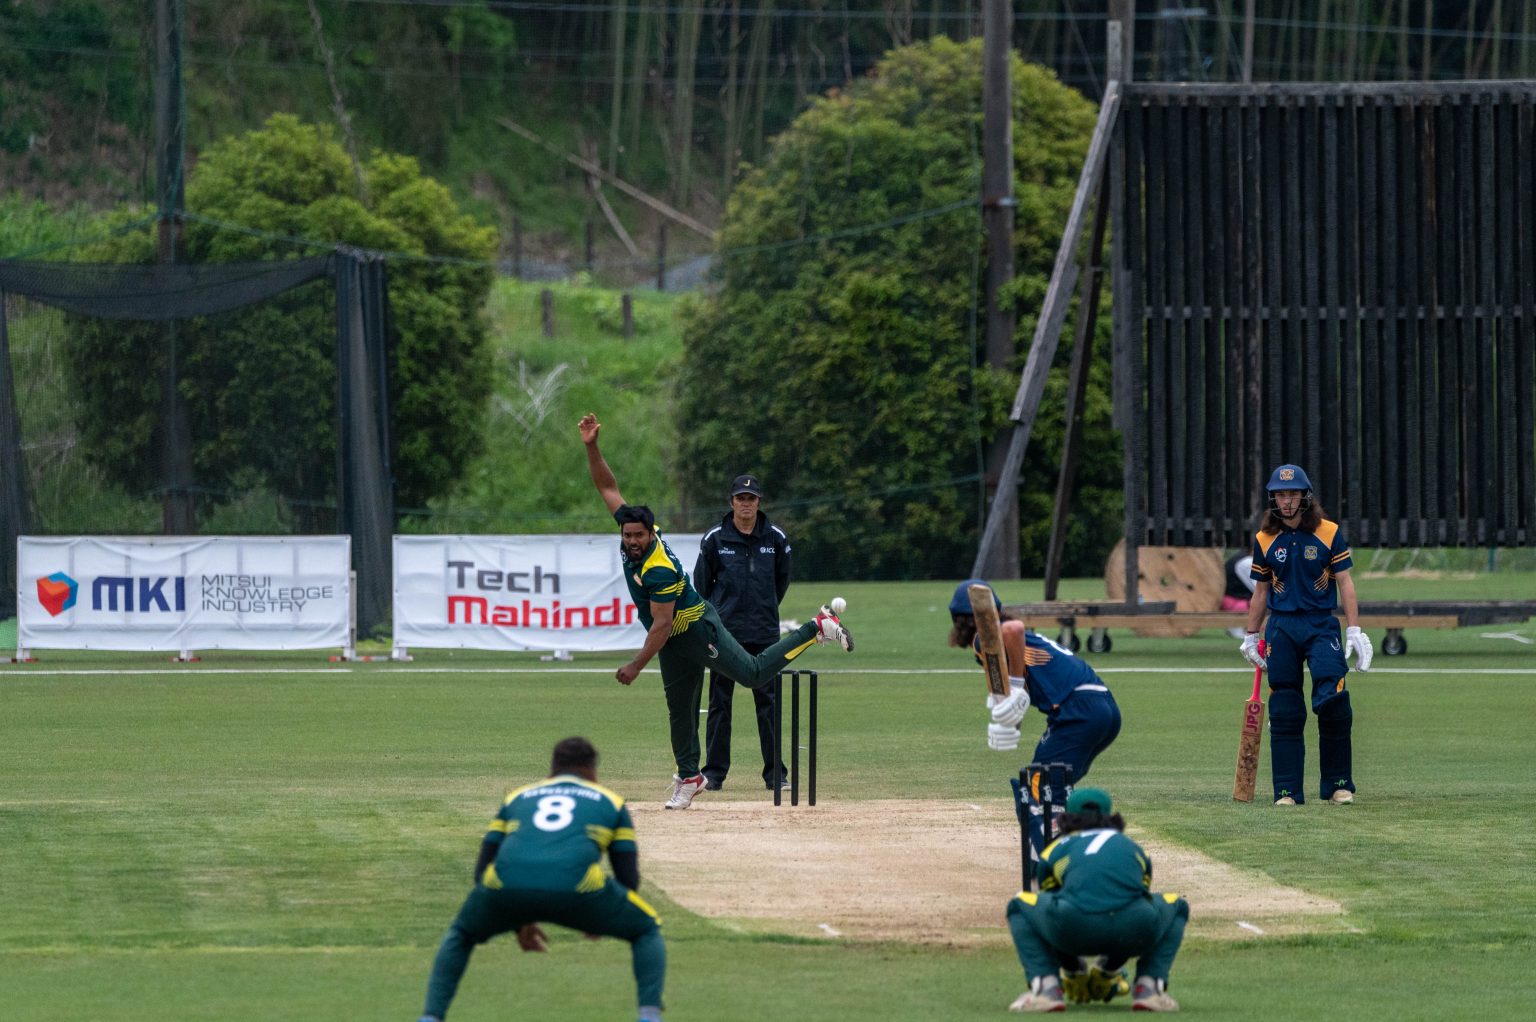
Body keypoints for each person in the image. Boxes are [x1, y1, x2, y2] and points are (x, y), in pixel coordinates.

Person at [579, 413, 852, 810]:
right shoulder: (633, 532)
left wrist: (636, 665)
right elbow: (607, 486)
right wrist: (591, 446)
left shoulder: (657, 567)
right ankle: (690, 776)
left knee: (753, 673)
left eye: (639, 535)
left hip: (695, 629)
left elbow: (662, 624)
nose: (632, 541)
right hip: (671, 639)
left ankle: (817, 627)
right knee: (680, 710)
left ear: (650, 534)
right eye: (628, 535)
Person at [416, 737, 667, 1022]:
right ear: (592, 771)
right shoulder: (611, 801)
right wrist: (602, 918)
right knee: (646, 928)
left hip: (504, 888)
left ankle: (430, 1017)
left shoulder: (518, 797)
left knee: (461, 934)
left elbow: (481, 869)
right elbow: (627, 878)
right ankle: (649, 1016)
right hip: (578, 890)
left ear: (552, 768)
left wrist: (518, 919)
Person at [948, 579, 1121, 857]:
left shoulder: (986, 636)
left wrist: (1014, 684)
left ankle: (1052, 859)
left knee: (1037, 786)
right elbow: (1020, 691)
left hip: (1078, 710)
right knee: (1055, 785)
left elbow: (1014, 630)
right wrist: (1010, 721)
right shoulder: (996, 643)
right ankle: (1082, 850)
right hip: (1103, 708)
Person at [1239, 464, 1372, 807]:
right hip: (1281, 627)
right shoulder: (1265, 539)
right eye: (1281, 495)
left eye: (1292, 494)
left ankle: (1339, 785)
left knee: (1333, 700)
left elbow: (1345, 582)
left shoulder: (1328, 532)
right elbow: (1260, 591)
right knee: (1284, 708)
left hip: (1320, 625)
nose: (1286, 501)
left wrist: (1355, 629)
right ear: (1274, 499)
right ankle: (1287, 791)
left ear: (1304, 497)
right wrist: (1251, 636)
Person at [1005, 787, 1189, 1013]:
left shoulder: (1056, 850)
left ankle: (1047, 988)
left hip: (1073, 928)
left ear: (1066, 818)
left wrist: (1072, 968)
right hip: (1135, 929)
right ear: (1110, 817)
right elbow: (1134, 898)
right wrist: (1111, 968)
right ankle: (1149, 988)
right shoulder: (1135, 849)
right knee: (1176, 905)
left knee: (1020, 905)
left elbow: (1050, 900)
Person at [693, 473, 792, 792]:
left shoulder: (775, 538)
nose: (746, 504)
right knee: (720, 703)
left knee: (769, 703)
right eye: (740, 499)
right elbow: (701, 585)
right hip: (724, 635)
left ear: (759, 502)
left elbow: (781, 582)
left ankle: (776, 774)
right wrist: (717, 620)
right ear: (732, 502)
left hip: (764, 633)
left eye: (751, 499)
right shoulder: (715, 539)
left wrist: (763, 609)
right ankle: (715, 773)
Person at [1222, 551, 1256, 639]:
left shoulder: (1241, 559)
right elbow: (1258, 588)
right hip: (1235, 603)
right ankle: (1236, 628)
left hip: (1228, 599)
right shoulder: (1247, 562)